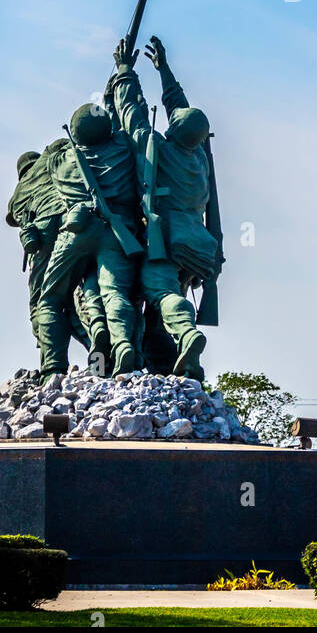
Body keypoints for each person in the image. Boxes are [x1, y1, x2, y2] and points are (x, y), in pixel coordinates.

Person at [111, 35, 217, 381]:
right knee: (163, 307)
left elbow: (131, 114)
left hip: (167, 237)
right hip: (198, 246)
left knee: (160, 291)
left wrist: (125, 71)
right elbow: (181, 111)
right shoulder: (200, 156)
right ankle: (177, 361)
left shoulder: (156, 145)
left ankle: (188, 334)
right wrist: (165, 71)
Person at [38, 103, 142, 381]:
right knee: (115, 293)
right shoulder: (123, 148)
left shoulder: (58, 162)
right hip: (114, 230)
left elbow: (54, 153)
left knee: (49, 299)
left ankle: (53, 369)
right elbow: (124, 127)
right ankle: (123, 346)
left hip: (75, 232)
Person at [6, 145, 92, 361]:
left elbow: (13, 218)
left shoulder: (18, 193)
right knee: (77, 290)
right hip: (70, 224)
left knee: (41, 303)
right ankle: (99, 349)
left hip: (43, 238)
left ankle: (52, 363)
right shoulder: (50, 160)